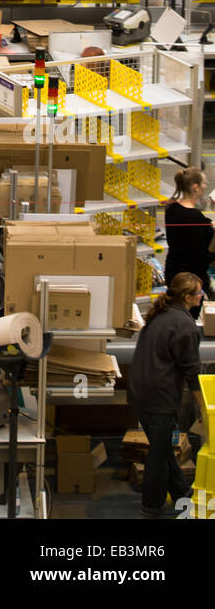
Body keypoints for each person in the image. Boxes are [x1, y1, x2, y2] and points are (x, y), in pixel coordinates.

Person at [128, 272, 204, 517]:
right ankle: (151, 507)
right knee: (158, 458)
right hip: (159, 399)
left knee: (163, 450)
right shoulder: (184, 325)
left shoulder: (160, 314)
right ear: (187, 297)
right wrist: (203, 408)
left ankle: (182, 494)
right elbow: (192, 373)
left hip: (140, 394)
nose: (202, 297)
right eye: (199, 293)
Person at [165, 168, 213, 306]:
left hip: (173, 274)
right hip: (190, 282)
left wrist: (207, 225)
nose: (206, 185)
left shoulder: (172, 209)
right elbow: (202, 258)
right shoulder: (195, 217)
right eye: (204, 183)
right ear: (195, 187)